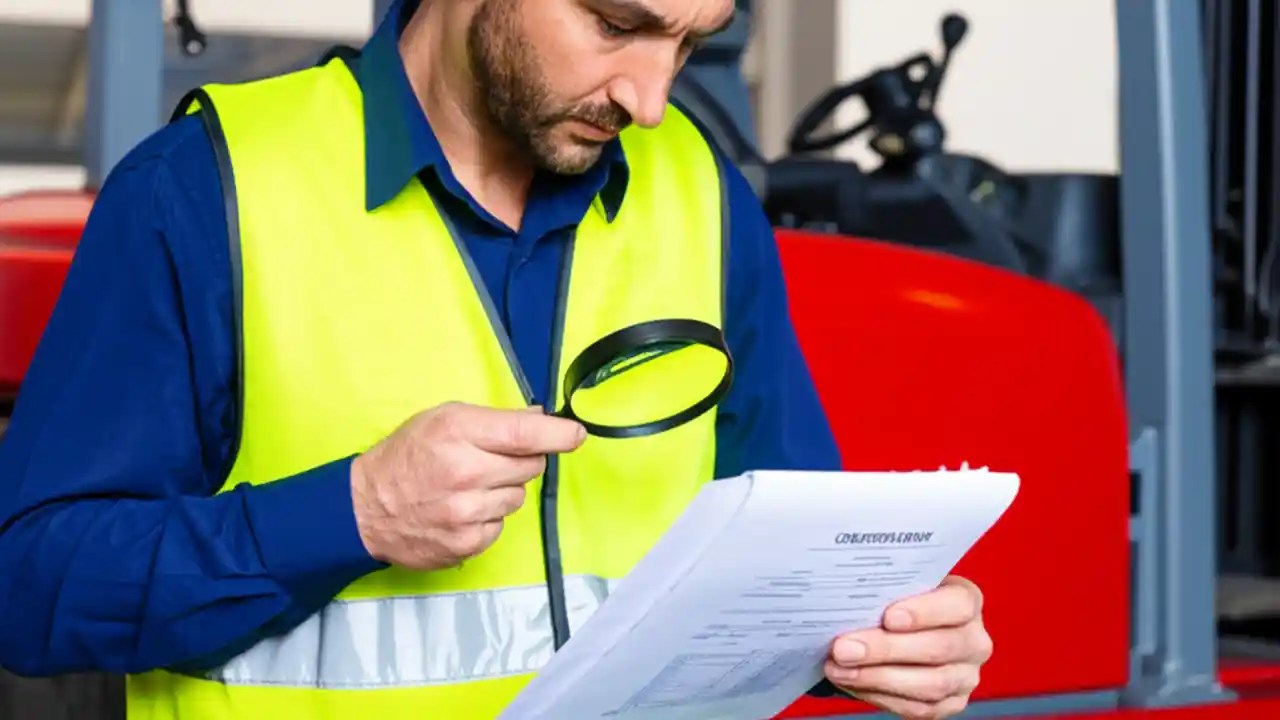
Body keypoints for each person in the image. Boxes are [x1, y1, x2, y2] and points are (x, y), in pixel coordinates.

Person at [0, 0, 992, 718]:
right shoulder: (200, 191)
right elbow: (27, 589)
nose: (648, 100)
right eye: (616, 25)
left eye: (688, 41)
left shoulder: (698, 191)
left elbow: (785, 555)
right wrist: (346, 514)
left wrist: (884, 638)